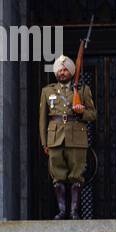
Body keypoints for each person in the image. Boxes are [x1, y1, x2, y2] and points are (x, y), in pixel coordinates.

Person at [38, 54, 96, 219]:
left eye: (65, 70)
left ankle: (74, 211)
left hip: (77, 137)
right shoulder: (47, 91)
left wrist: (81, 111)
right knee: (58, 176)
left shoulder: (83, 90)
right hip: (55, 138)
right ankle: (62, 211)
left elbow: (93, 115)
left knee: (76, 175)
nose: (62, 72)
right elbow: (42, 120)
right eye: (59, 70)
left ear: (71, 71)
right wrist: (44, 143)